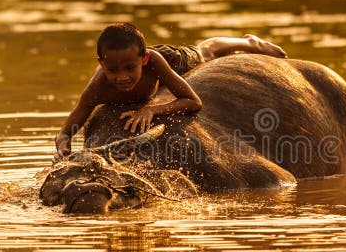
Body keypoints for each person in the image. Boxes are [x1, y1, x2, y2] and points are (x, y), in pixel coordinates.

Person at [54, 22, 287, 159]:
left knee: (205, 52)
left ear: (143, 60)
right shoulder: (97, 88)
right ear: (101, 64)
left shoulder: (155, 61)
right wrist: (64, 148)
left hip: (168, 59)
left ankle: (249, 43)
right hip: (147, 75)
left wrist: (153, 110)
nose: (122, 77)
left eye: (129, 68)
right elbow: (66, 131)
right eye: (113, 70)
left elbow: (193, 101)